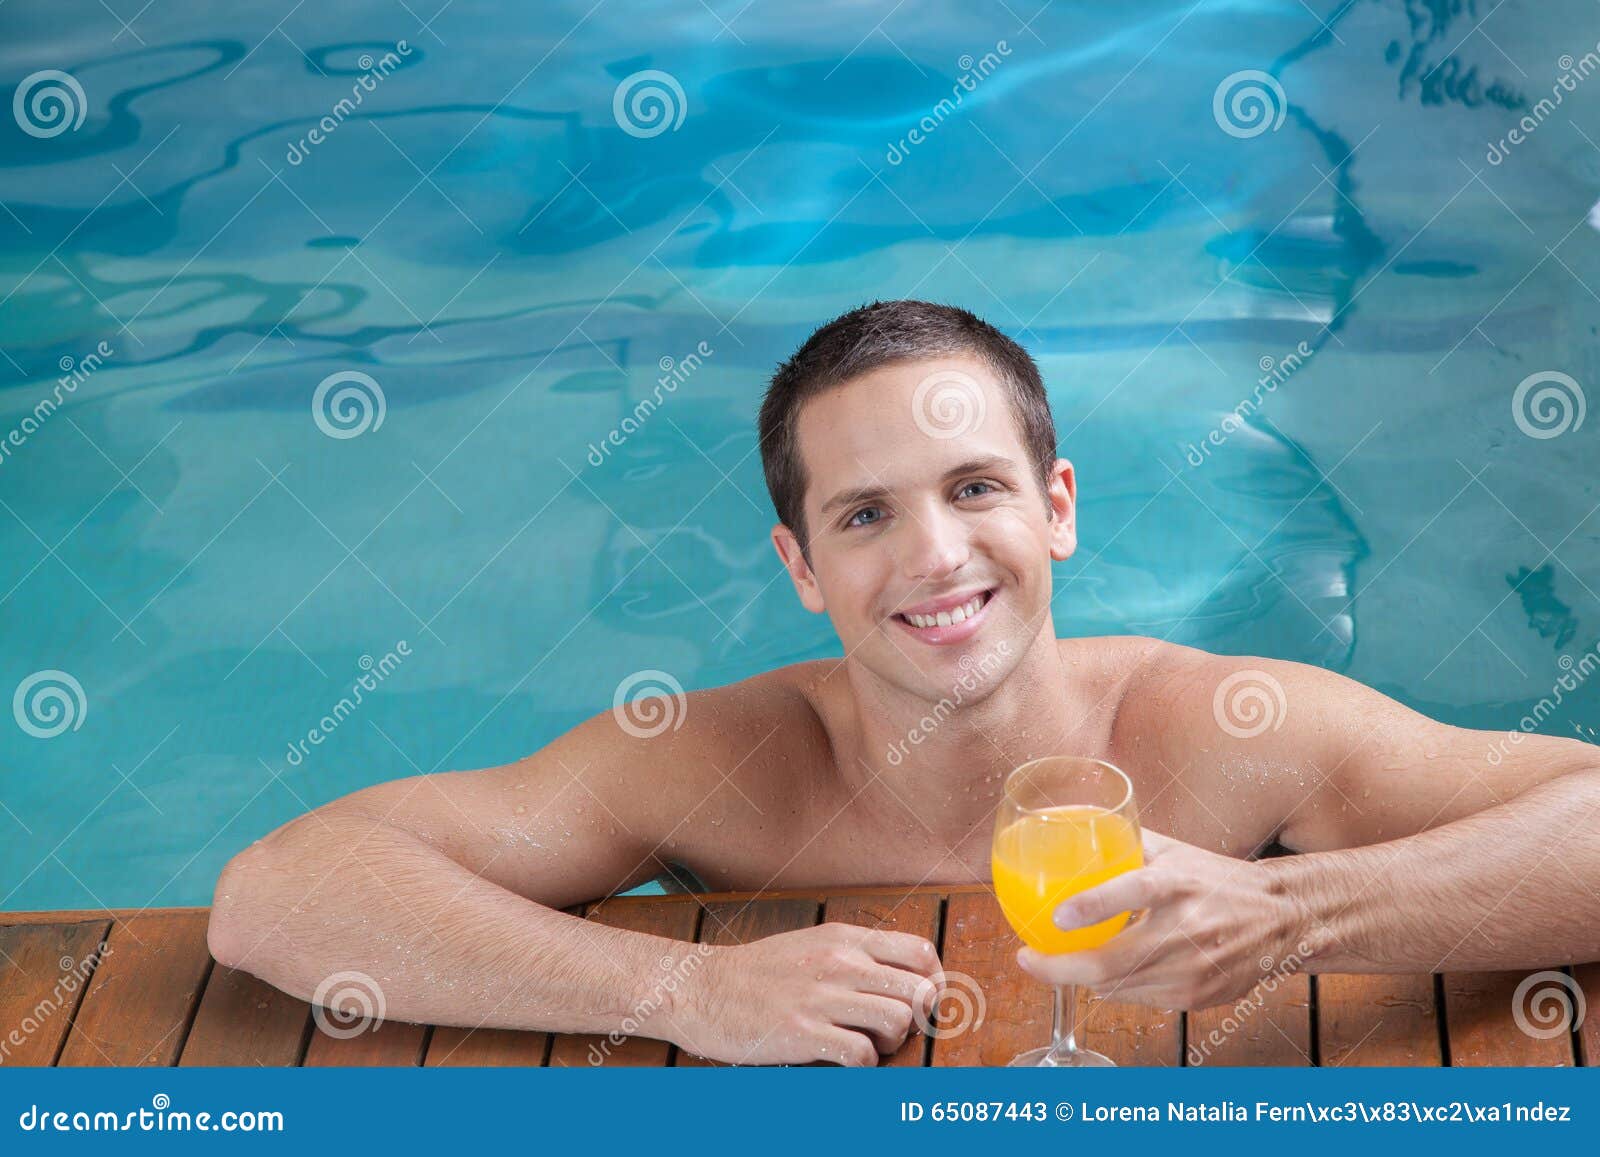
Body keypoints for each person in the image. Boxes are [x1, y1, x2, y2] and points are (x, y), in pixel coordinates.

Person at [207, 300, 1600, 1066]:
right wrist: (687, 995)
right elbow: (276, 891)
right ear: (801, 566)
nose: (937, 557)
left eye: (976, 487)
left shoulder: (1232, 729)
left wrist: (1289, 910)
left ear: (1057, 506)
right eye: (864, 515)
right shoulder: (720, 759)